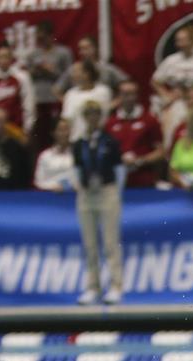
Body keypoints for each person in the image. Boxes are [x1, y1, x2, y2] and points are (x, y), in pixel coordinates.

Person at [71, 100, 123, 304]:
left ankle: (116, 285)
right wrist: (80, 188)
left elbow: (119, 170)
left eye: (95, 114)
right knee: (90, 244)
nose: (92, 117)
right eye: (88, 114)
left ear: (100, 117)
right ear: (84, 117)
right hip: (86, 194)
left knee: (110, 242)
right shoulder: (79, 144)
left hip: (107, 192)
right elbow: (76, 169)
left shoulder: (110, 141)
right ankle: (93, 286)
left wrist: (117, 193)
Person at [105, 80, 165, 188]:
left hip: (143, 181)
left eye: (132, 94)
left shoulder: (150, 120)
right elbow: (105, 150)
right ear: (119, 96)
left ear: (138, 95)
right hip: (117, 181)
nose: (129, 98)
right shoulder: (110, 123)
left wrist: (140, 161)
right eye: (125, 94)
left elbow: (160, 152)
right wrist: (118, 160)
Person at [26, 20, 74, 146]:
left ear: (51, 35)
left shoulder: (63, 52)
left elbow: (69, 75)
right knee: (40, 133)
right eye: (39, 38)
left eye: (43, 37)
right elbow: (27, 77)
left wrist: (52, 71)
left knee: (56, 129)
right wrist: (35, 70)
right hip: (38, 99)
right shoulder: (33, 55)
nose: (41, 41)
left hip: (55, 98)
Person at [0, 46, 36, 136]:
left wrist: (28, 127)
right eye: (0, 57)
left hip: (17, 127)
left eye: (6, 57)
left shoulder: (22, 77)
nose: (3, 60)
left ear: (11, 58)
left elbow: (29, 104)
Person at [62, 61, 112, 141]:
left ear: (87, 73)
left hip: (97, 140)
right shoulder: (70, 94)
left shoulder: (103, 91)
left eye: (76, 71)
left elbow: (104, 116)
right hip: (75, 140)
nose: (73, 75)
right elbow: (66, 118)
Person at [33, 116, 76, 191]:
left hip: (73, 194)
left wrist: (68, 187)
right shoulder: (45, 156)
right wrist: (53, 187)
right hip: (50, 195)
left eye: (66, 129)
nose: (64, 133)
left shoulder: (77, 153)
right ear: (53, 133)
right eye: (60, 130)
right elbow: (39, 181)